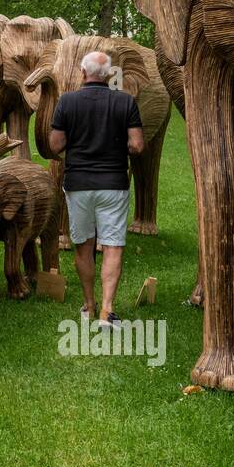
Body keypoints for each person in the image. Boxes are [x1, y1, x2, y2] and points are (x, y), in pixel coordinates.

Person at [48, 50, 144, 328]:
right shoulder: (125, 102)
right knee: (113, 246)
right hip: (114, 184)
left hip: (78, 185)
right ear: (110, 75)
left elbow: (55, 146)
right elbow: (137, 145)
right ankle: (107, 310)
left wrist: (76, 139)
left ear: (82, 73)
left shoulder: (67, 101)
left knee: (83, 246)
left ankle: (88, 306)